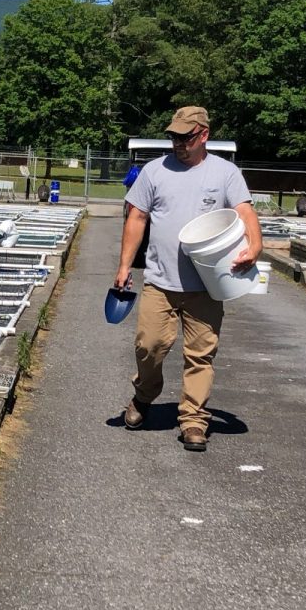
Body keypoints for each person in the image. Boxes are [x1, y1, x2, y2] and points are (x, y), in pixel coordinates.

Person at [115, 106, 262, 452]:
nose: (178, 144)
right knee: (148, 346)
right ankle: (144, 394)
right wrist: (123, 267)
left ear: (204, 135)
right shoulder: (154, 171)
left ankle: (194, 420)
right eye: (174, 137)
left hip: (206, 287)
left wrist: (255, 246)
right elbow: (136, 218)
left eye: (185, 137)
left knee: (201, 355)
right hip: (160, 282)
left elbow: (245, 212)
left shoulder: (225, 174)